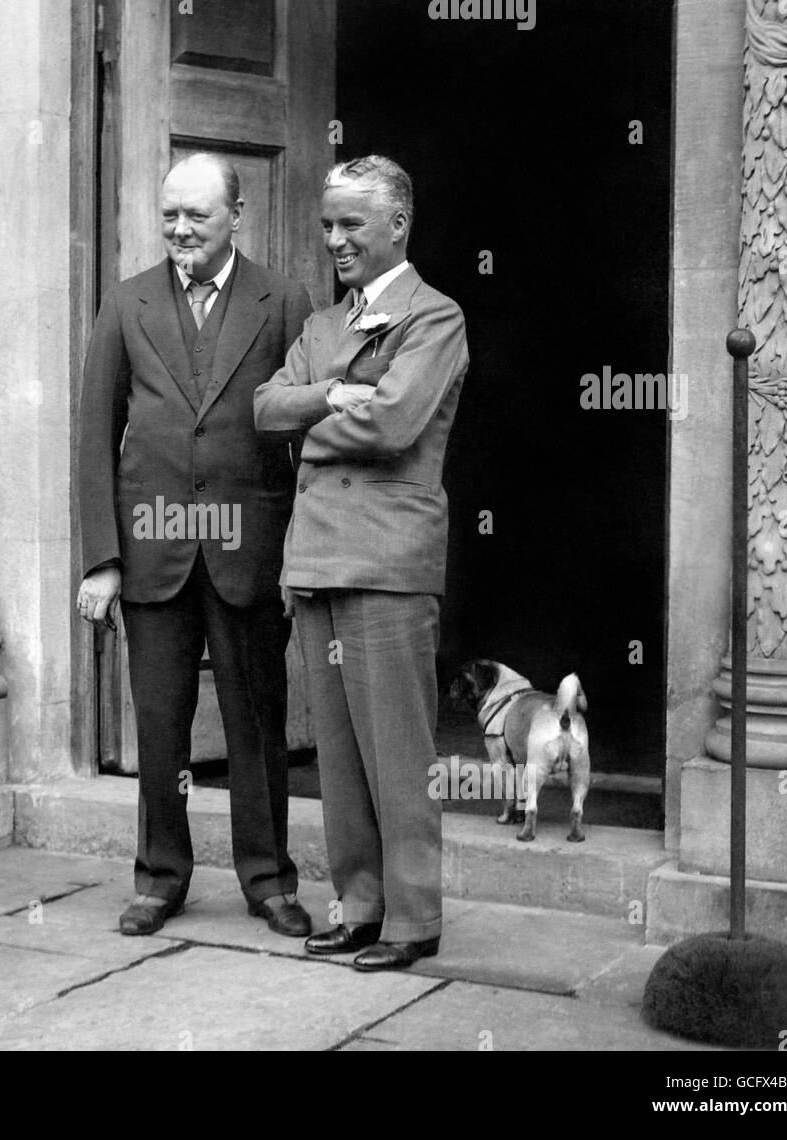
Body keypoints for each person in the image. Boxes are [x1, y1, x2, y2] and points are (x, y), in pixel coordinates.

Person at [77, 152, 314, 937]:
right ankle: (159, 878)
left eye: (198, 216)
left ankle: (269, 879)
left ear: (236, 217)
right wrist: (102, 560)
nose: (180, 229)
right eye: (170, 214)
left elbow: (302, 445)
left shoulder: (283, 302)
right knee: (160, 720)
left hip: (250, 549)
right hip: (154, 548)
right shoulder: (126, 302)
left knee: (256, 721)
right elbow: (94, 437)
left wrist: (297, 558)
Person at [253, 155, 469, 970]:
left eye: (351, 224)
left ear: (397, 226)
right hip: (316, 559)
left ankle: (415, 919)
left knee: (398, 754)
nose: (334, 239)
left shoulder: (434, 317)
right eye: (327, 225)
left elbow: (392, 424)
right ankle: (361, 907)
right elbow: (264, 406)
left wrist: (325, 404)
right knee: (339, 757)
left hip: (387, 560)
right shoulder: (322, 325)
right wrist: (341, 393)